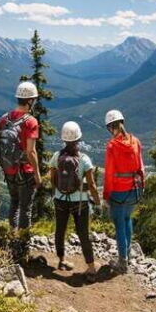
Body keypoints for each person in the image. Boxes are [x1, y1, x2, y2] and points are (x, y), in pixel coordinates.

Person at [49, 121, 101, 282]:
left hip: (60, 200)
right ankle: (91, 268)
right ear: (78, 139)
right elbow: (92, 185)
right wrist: (97, 202)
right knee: (83, 234)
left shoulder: (56, 156)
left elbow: (52, 178)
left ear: (64, 139)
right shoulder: (84, 159)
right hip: (80, 203)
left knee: (60, 230)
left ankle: (62, 261)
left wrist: (58, 192)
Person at [103, 109, 145, 274]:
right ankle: (127, 254)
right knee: (127, 219)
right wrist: (141, 187)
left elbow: (109, 174)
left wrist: (106, 194)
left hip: (119, 190)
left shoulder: (112, 146)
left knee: (119, 224)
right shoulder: (135, 141)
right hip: (134, 189)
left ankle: (122, 262)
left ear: (110, 127)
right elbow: (141, 167)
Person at [0, 81, 42, 230]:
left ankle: (12, 233)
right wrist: (37, 174)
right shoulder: (31, 121)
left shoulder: (4, 119)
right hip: (25, 171)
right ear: (30, 101)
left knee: (14, 202)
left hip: (9, 169)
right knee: (25, 208)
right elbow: (30, 151)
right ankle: (22, 239)